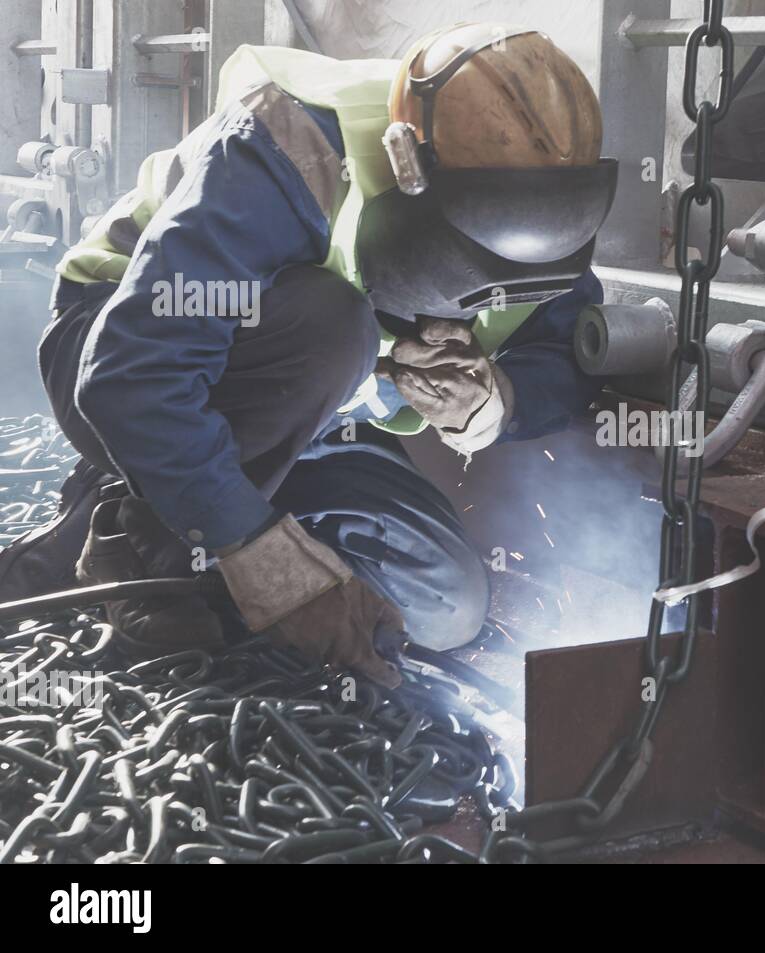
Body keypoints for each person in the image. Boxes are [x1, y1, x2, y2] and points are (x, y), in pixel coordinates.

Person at [0, 23, 618, 687]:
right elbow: (135, 379)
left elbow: (565, 349)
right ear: (408, 167)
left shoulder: (543, 209)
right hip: (124, 355)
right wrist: (275, 573)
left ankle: (218, 520)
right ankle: (135, 541)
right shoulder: (285, 152)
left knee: (446, 605)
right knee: (337, 327)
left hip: (323, 418)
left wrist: (493, 399)